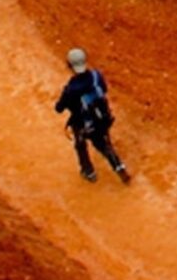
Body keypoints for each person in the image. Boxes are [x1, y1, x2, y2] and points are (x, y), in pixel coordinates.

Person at [54, 48, 130, 183]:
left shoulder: (71, 89)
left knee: (80, 144)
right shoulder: (96, 76)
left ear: (70, 66)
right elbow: (104, 90)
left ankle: (88, 171)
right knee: (103, 145)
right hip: (103, 118)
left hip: (84, 125)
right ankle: (118, 166)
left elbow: (59, 108)